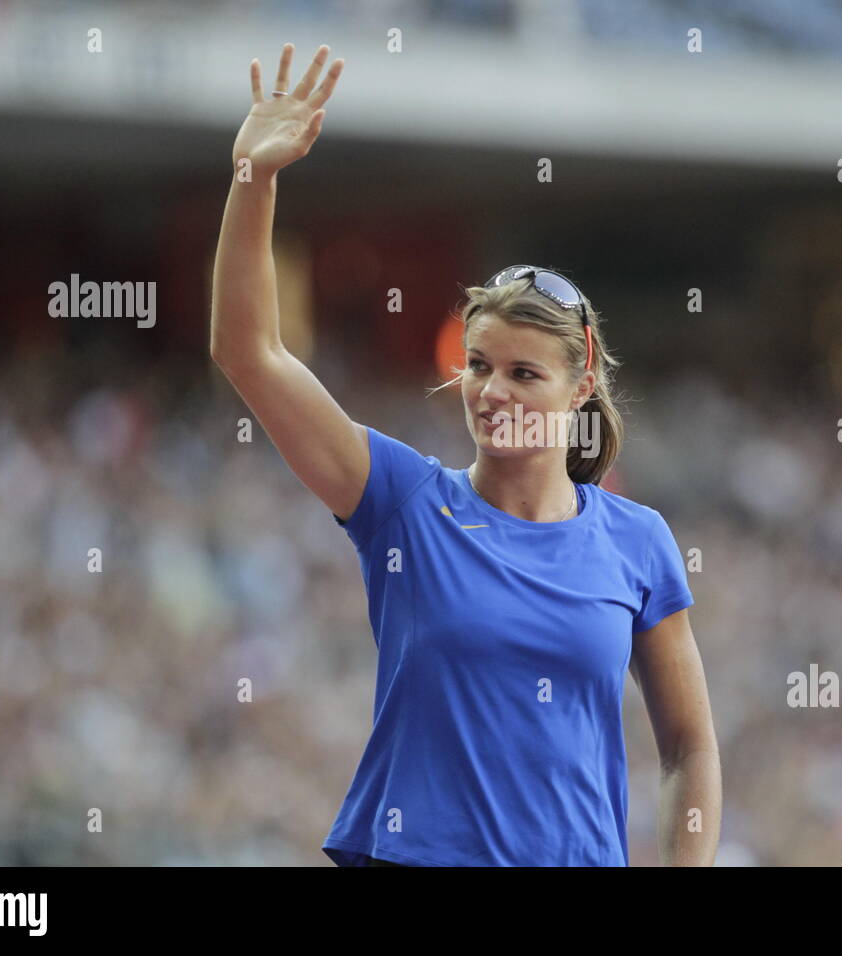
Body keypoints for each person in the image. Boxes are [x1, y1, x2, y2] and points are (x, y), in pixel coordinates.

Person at [210, 43, 721, 866]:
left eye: (525, 374)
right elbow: (250, 353)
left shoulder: (638, 542)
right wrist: (253, 179)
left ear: (580, 383)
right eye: (479, 366)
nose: (494, 392)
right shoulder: (405, 503)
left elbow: (690, 749)